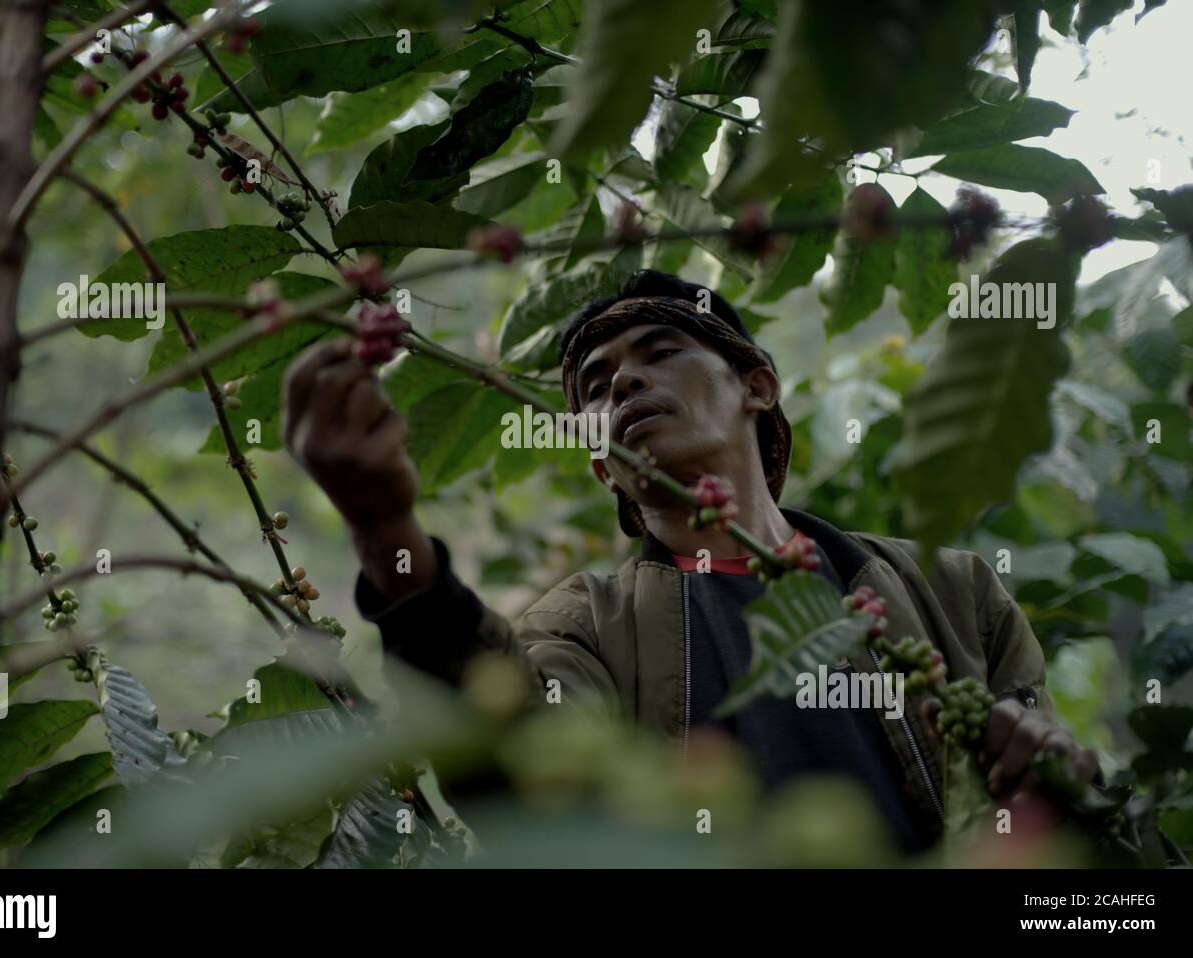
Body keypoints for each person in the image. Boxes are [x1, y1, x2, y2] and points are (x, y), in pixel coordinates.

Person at [282, 268, 1099, 852]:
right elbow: (516, 770)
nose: (625, 384)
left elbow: (1062, 837)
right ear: (602, 465)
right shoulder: (581, 627)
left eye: (660, 351)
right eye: (596, 385)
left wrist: (1054, 775)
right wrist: (382, 524)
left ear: (758, 386)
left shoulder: (951, 590)